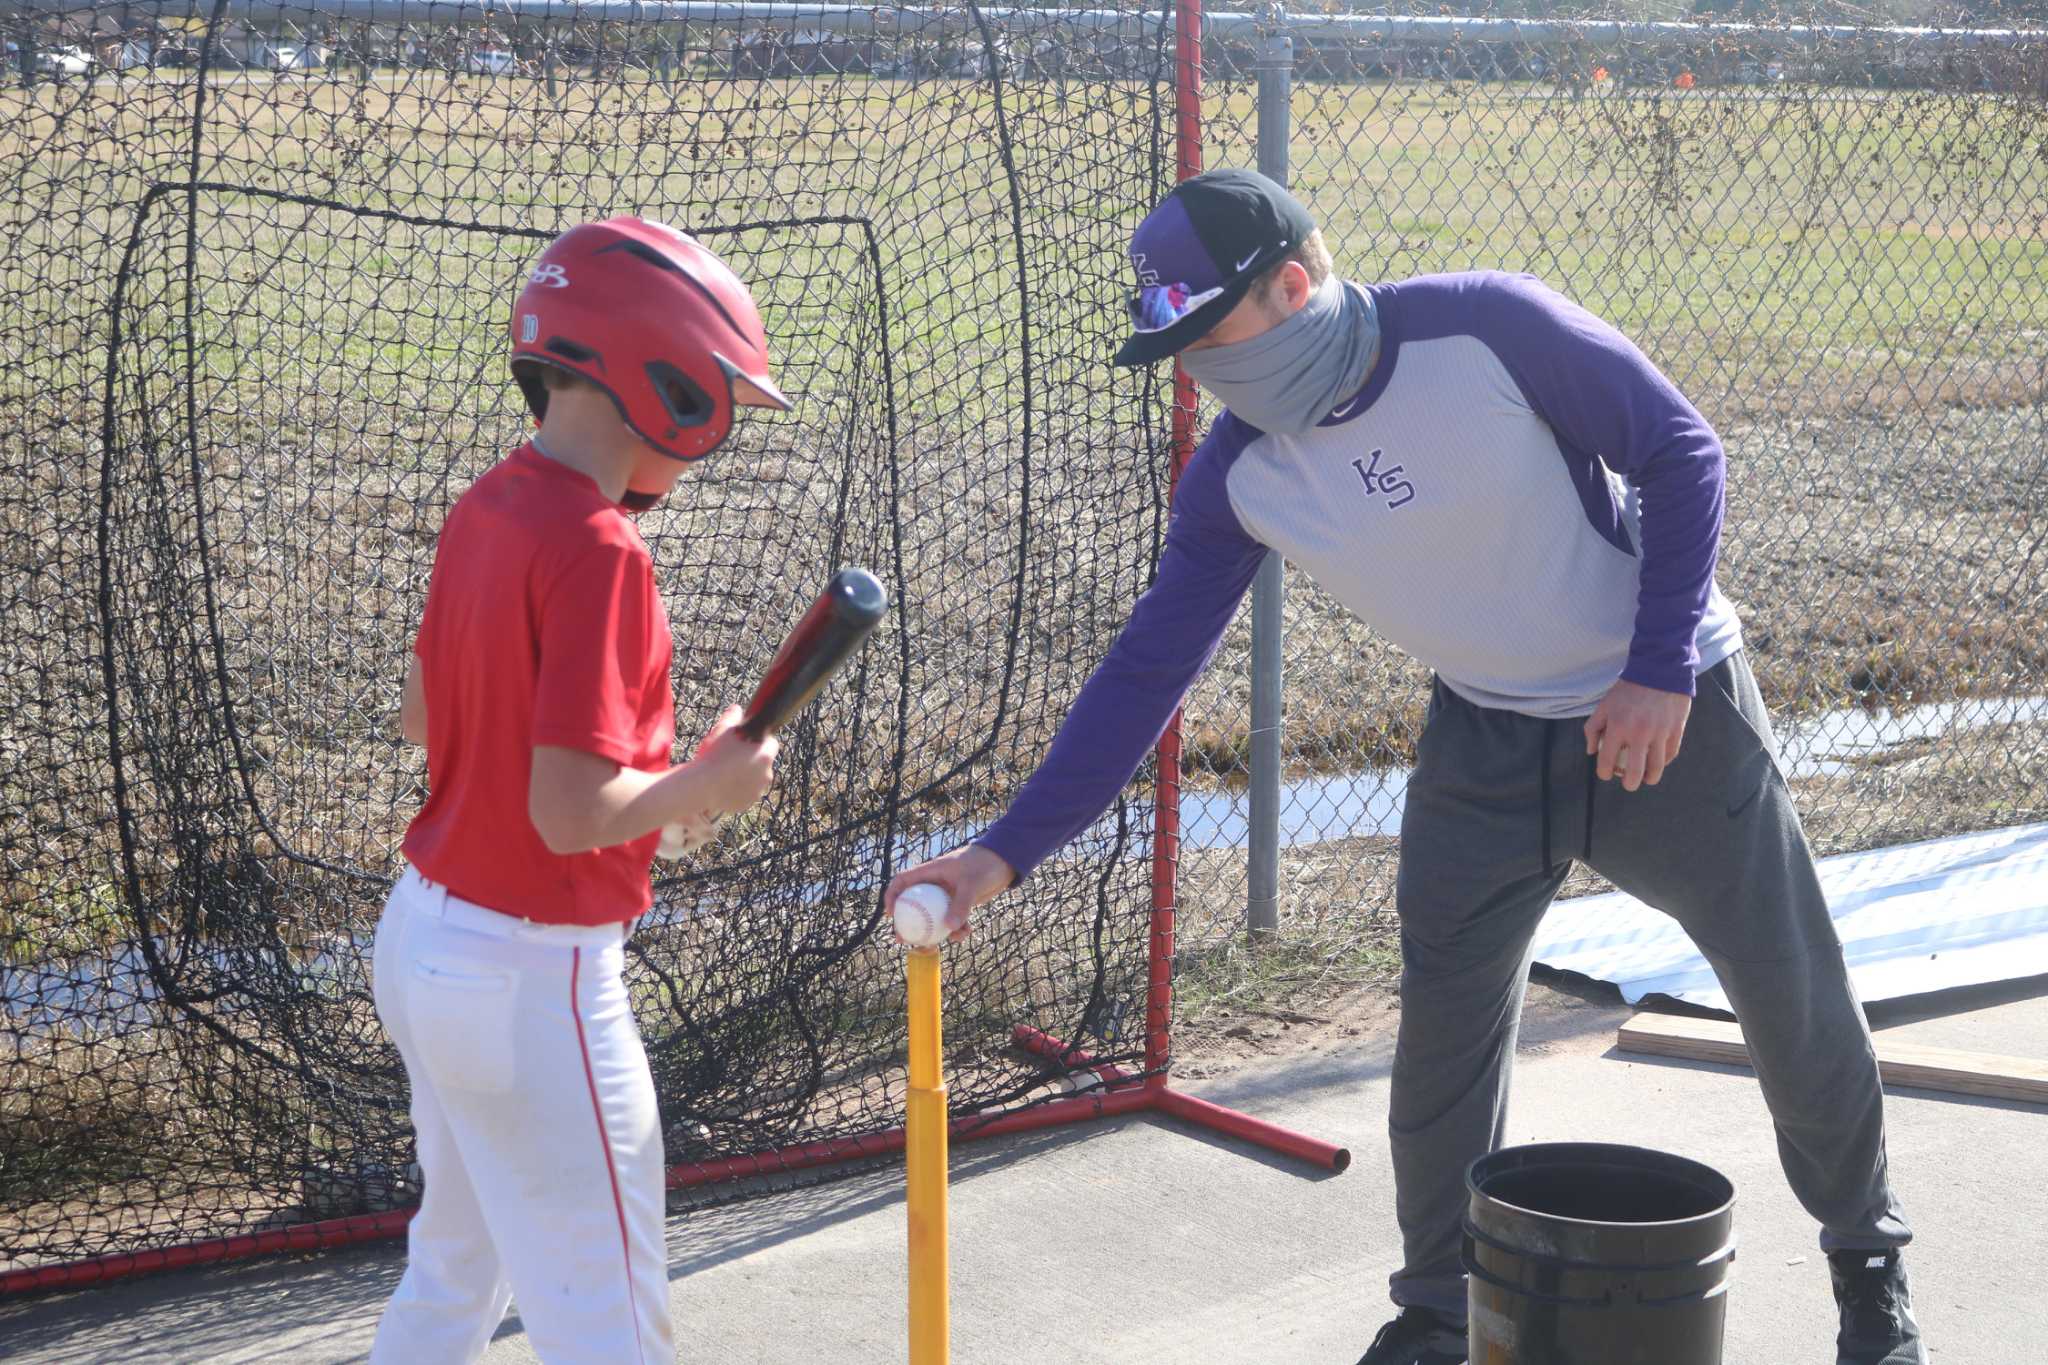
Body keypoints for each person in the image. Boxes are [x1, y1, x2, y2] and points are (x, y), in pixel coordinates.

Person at [884, 169, 1924, 1365]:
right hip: (1483, 735)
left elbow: (1681, 451)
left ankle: (1867, 1269)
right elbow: (1145, 670)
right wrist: (1001, 851)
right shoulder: (1239, 474)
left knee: (1785, 986)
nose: (1195, 371)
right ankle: (1435, 1310)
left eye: (1206, 334)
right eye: (1172, 349)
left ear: (1292, 284)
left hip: (1660, 711)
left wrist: (1654, 666)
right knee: (1443, 1029)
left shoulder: (1485, 325)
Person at [370, 217, 789, 1364]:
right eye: (718, 400)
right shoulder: (603, 549)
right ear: (657, 378)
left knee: (452, 1275)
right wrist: (704, 784)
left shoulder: (491, 501)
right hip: (531, 975)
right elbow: (570, 818)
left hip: (423, 942)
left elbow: (423, 718)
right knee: (608, 1322)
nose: (716, 434)